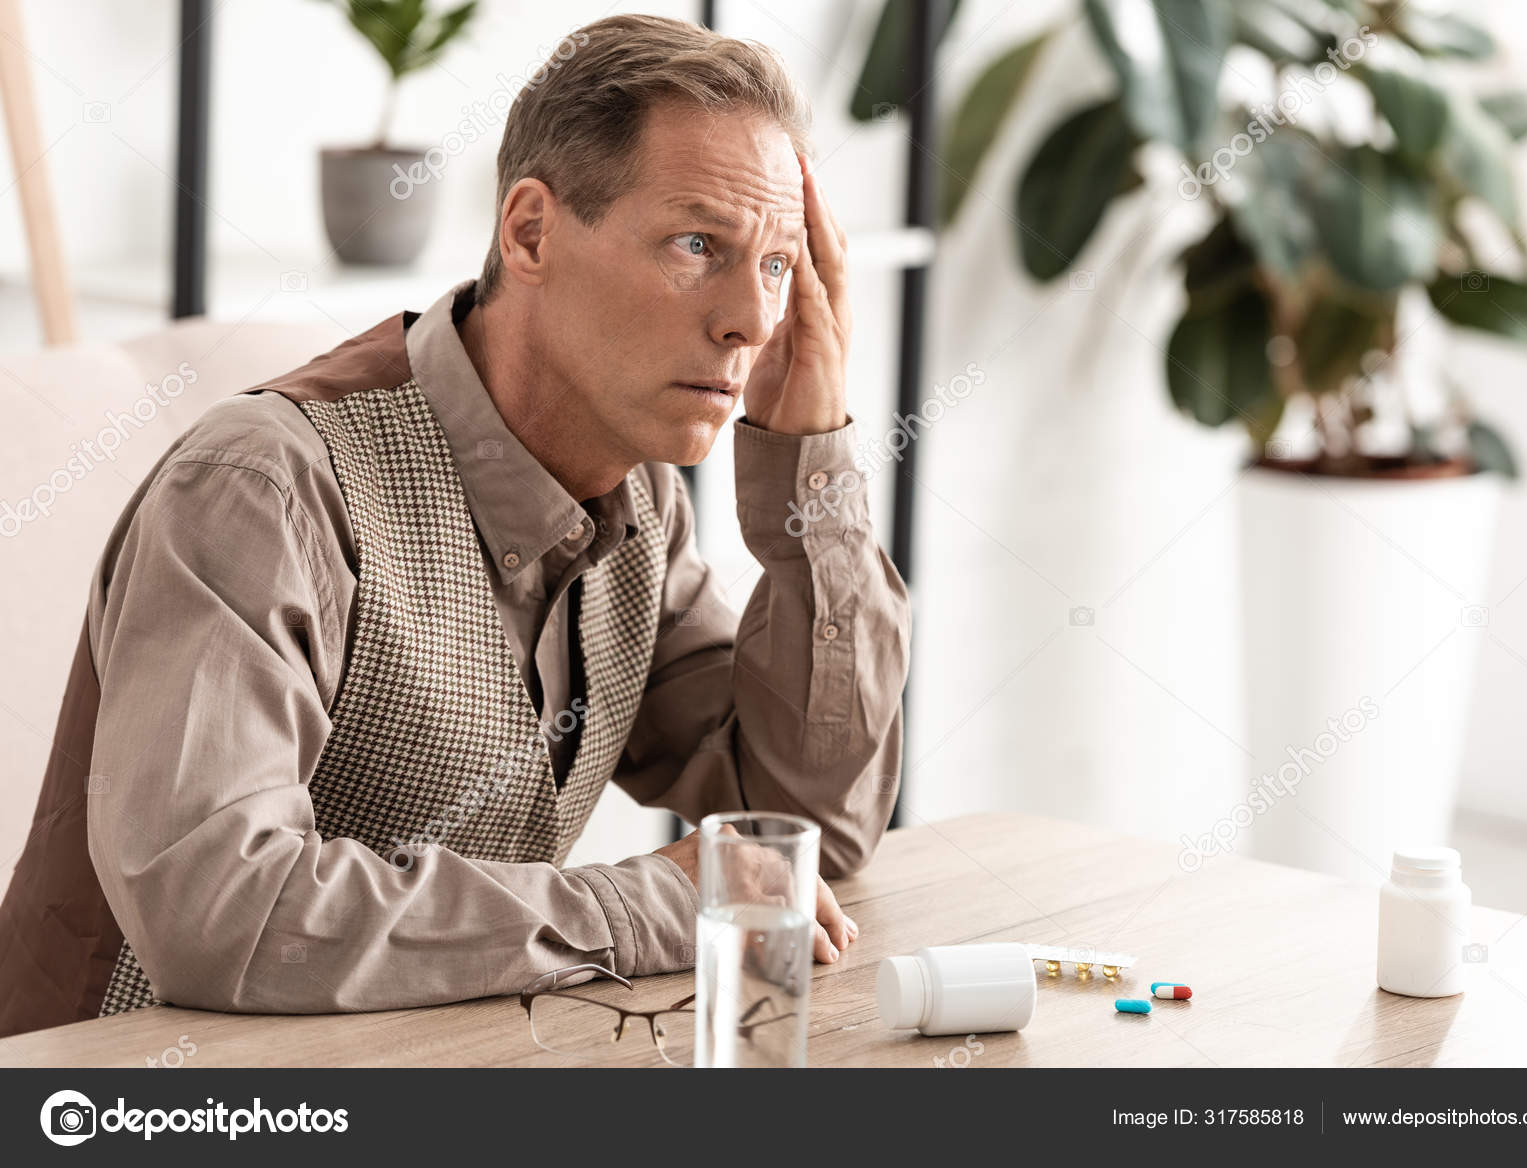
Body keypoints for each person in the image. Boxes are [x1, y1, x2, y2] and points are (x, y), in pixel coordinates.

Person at [0, 13, 910, 1037]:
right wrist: (647, 902)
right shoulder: (267, 489)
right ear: (529, 233)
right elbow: (220, 911)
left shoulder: (637, 500)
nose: (751, 317)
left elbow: (805, 831)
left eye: (780, 265)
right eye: (697, 243)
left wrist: (814, 476)